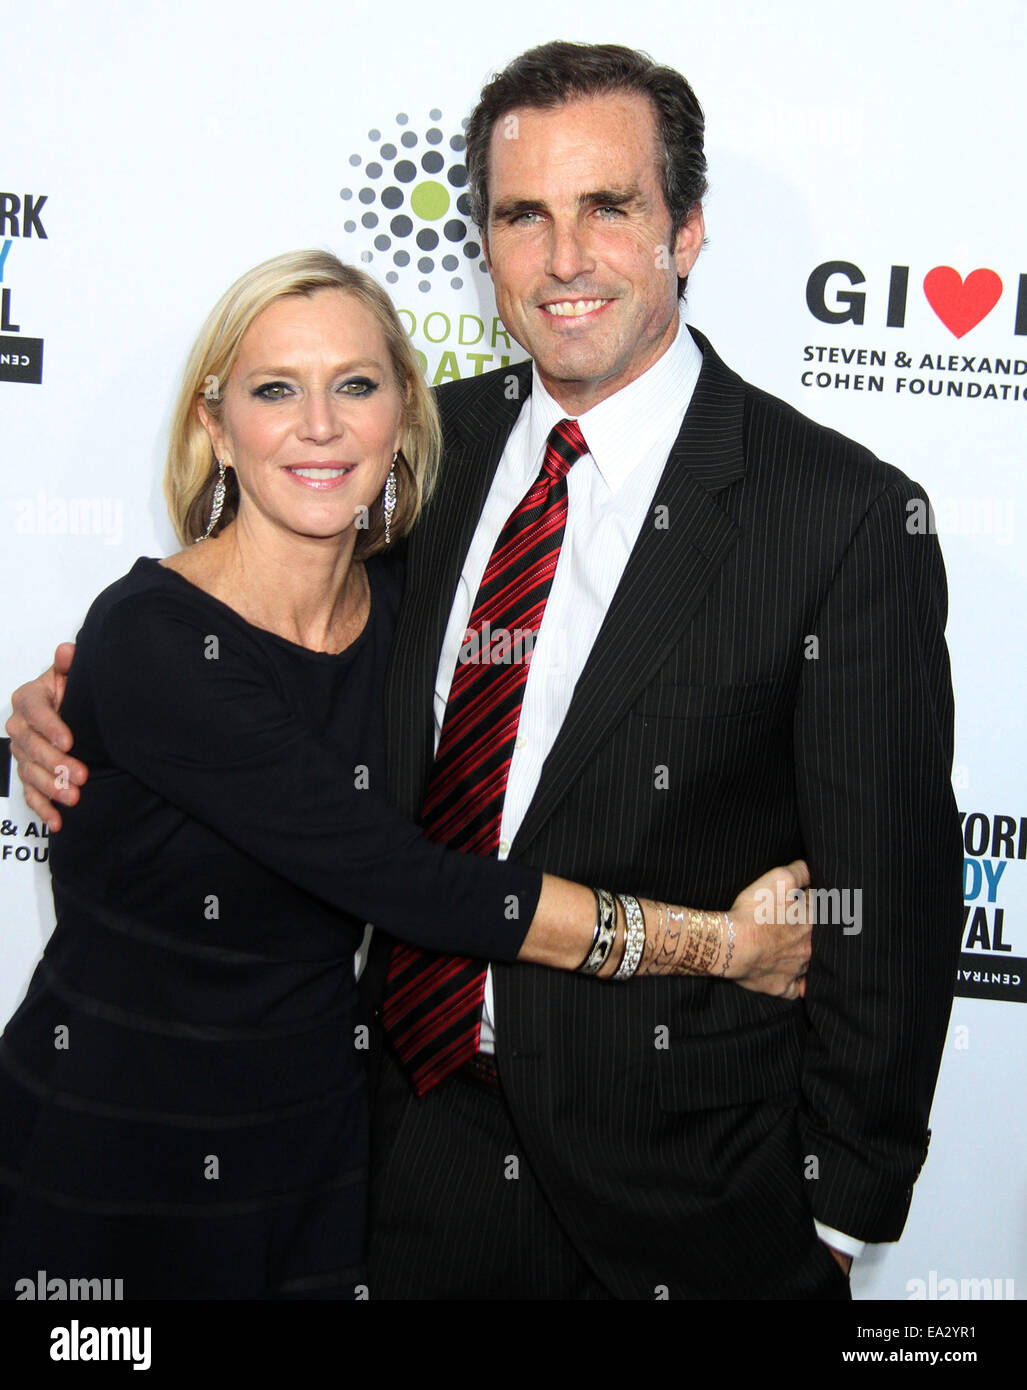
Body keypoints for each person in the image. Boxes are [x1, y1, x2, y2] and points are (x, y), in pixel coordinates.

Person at [11, 38, 964, 1300]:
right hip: (401, 1151)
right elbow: (277, 661)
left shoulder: (838, 517)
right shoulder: (424, 452)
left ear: (685, 230)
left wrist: (836, 1215)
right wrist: (76, 704)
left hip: (687, 1195)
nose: (564, 259)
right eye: (524, 216)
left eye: (607, 207)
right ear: (485, 246)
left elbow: (889, 900)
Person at [0, 250, 811, 1301]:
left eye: (356, 384)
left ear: (401, 413)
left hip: (314, 1151)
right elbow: (414, 884)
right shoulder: (155, 636)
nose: (320, 426)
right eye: (274, 389)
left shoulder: (412, 611)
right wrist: (717, 942)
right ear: (216, 426)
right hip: (115, 1147)